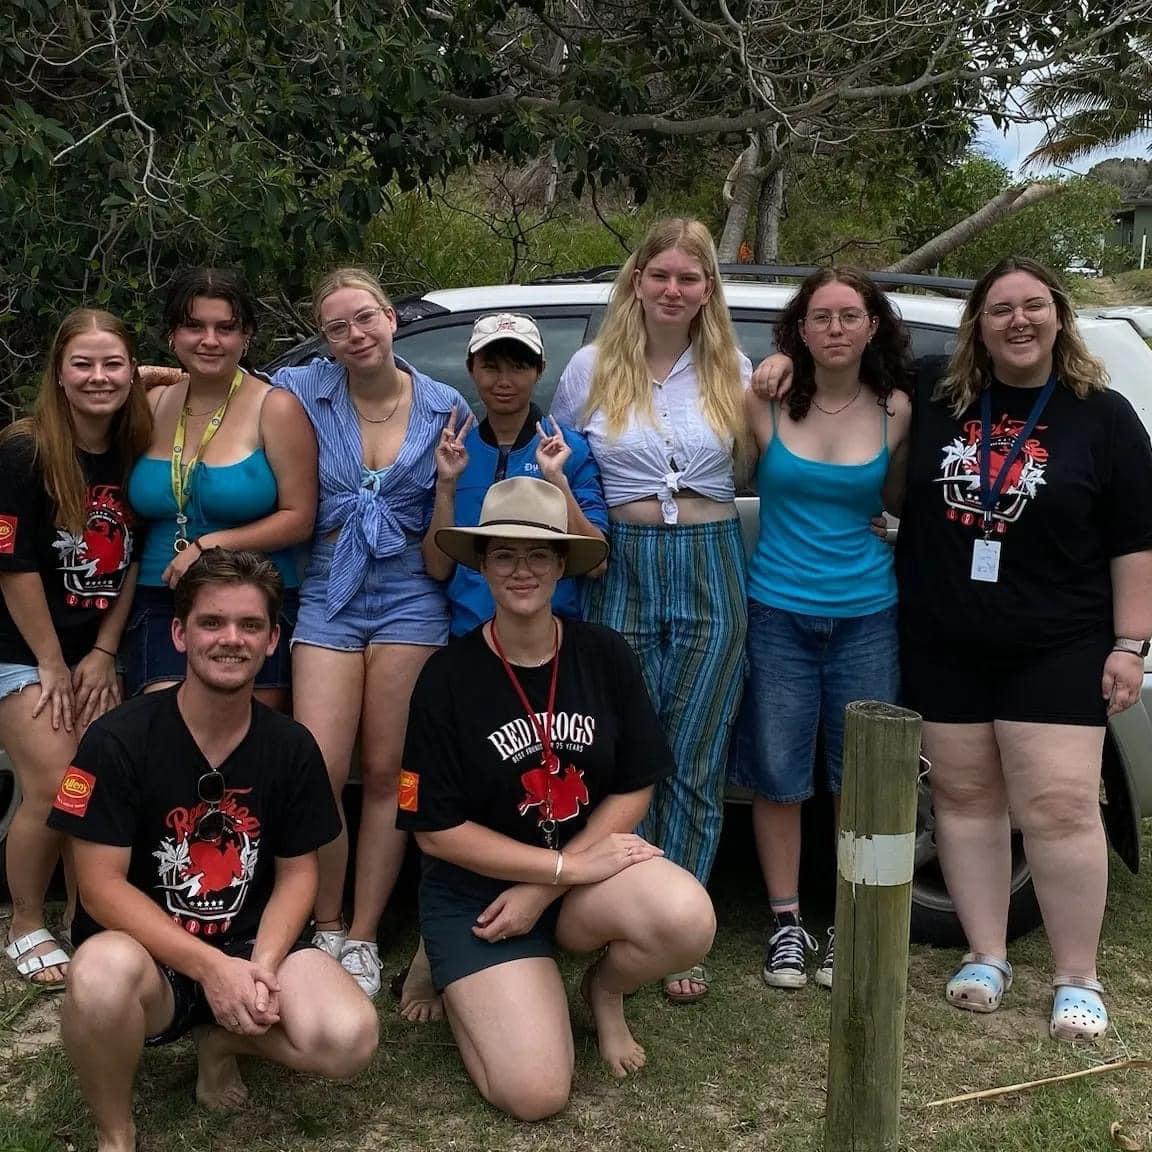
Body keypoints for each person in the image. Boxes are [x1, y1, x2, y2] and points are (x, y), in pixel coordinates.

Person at [752, 256, 1152, 1041]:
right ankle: (985, 953)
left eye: (1032, 306)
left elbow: (1135, 542)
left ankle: (1079, 975)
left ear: (1059, 316)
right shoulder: (939, 397)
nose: (1017, 322)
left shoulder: (1100, 416)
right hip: (945, 638)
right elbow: (854, 382)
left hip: (1060, 642)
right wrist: (776, 359)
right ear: (978, 325)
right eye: (999, 309)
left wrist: (1131, 644)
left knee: (1062, 807)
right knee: (967, 806)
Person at [397, 476, 716, 1119]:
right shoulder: (446, 677)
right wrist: (555, 872)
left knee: (688, 919)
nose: (522, 569)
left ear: (562, 565)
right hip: (478, 890)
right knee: (535, 1095)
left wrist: (554, 881)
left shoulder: (603, 655)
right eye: (505, 554)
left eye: (539, 553)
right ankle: (445, 951)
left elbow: (635, 784)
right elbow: (435, 830)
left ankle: (603, 991)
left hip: (577, 870)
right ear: (481, 564)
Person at [48, 549, 378, 1152]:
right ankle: (115, 1133)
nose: (232, 639)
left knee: (349, 1037)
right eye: (212, 623)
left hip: (249, 943)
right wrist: (209, 969)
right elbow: (99, 885)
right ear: (179, 633)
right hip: (148, 955)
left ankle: (222, 1041)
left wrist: (261, 966)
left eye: (250, 625)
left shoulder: (292, 746)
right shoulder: (118, 738)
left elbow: (299, 874)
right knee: (98, 976)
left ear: (274, 639)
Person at [551, 217, 749, 1003]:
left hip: (710, 562)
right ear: (637, 281)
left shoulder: (736, 367)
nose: (673, 289)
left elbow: (797, 448)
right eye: (660, 274)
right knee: (623, 757)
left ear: (708, 291)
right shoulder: (591, 367)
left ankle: (683, 923)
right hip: (621, 566)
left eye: (689, 278)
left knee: (696, 754)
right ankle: (623, 913)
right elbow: (561, 466)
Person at [268, 267, 468, 1001]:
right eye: (337, 327)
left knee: (387, 771)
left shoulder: (444, 404)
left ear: (391, 318)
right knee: (318, 765)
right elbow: (221, 380)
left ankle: (363, 934)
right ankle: (324, 922)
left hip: (411, 591)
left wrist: (446, 483)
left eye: (365, 319)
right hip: (329, 587)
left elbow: (439, 558)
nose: (354, 336)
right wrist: (154, 373)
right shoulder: (303, 389)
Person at [735, 268, 911, 992]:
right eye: (820, 317)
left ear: (873, 326)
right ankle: (785, 923)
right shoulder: (765, 398)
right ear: (798, 330)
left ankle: (850, 921)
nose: (835, 329)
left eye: (849, 316)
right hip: (777, 608)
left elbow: (908, 501)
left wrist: (900, 526)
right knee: (778, 775)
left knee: (859, 779)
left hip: (868, 612)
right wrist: (768, 366)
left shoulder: (899, 407)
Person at [0, 308, 151, 989]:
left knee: (94, 787)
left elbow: (132, 558)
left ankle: (83, 916)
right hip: (22, 647)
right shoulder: (24, 452)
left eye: (113, 364)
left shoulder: (135, 447)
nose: (99, 377)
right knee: (55, 784)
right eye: (83, 364)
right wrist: (52, 662)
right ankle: (25, 919)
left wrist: (103, 652)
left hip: (96, 650)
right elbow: (13, 564)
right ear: (58, 374)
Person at [125, 267, 317, 711]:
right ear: (173, 334)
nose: (209, 340)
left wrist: (207, 545)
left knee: (246, 751)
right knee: (166, 739)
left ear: (245, 336)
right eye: (194, 326)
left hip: (254, 599)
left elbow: (299, 517)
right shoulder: (153, 404)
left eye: (225, 328)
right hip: (161, 598)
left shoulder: (276, 407)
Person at [423, 312, 609, 636]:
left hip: (552, 640)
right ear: (471, 370)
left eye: (519, 367)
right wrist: (446, 485)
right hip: (471, 638)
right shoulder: (453, 455)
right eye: (491, 367)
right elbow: (438, 569)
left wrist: (557, 481)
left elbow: (596, 564)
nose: (504, 381)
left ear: (539, 370)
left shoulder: (571, 451)